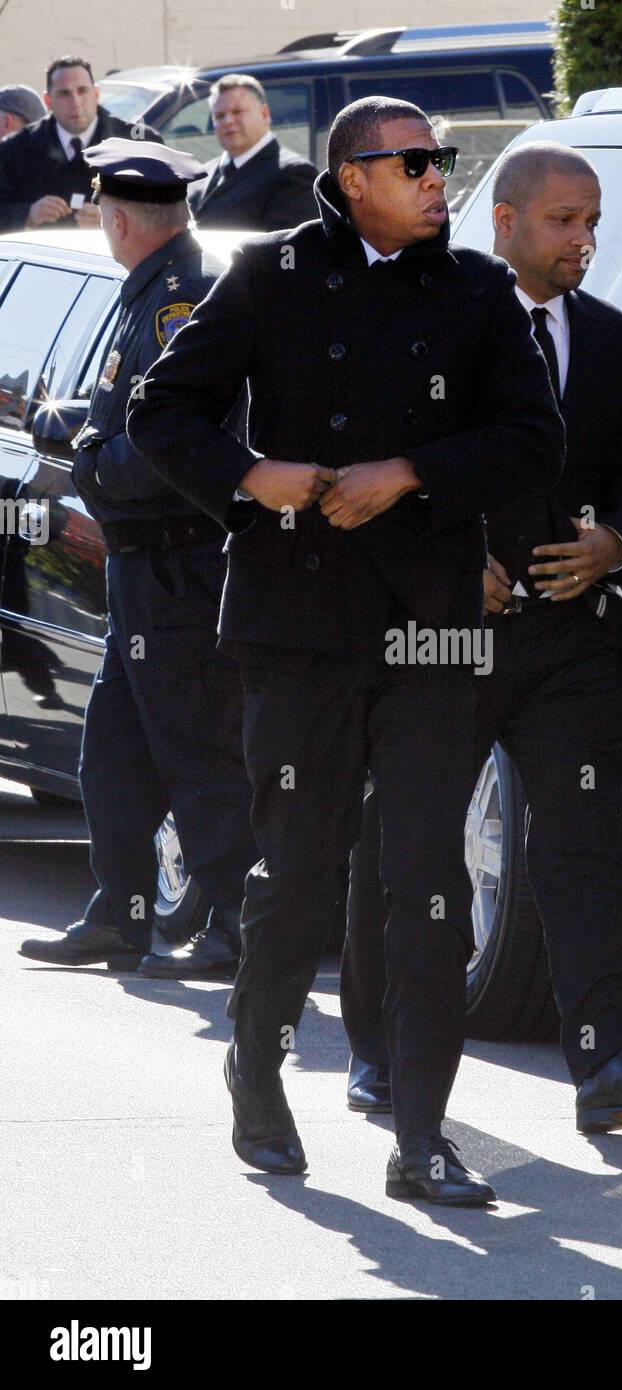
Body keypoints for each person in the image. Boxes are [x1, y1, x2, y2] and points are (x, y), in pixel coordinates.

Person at [128, 97, 565, 1206]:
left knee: (426, 881)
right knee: (300, 876)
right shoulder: (271, 273)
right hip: (297, 624)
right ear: (355, 175)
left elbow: (532, 437)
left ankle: (422, 1132)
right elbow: (161, 408)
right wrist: (250, 478)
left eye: (443, 162)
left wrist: (410, 473)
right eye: (415, 163)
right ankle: (257, 1065)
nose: (437, 180)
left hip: (430, 625)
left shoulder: (474, 289)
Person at [342, 142, 622, 1136]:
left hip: (568, 644)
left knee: (587, 845)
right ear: (503, 221)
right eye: (564, 221)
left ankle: (615, 1065)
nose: (585, 242)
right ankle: (382, 1057)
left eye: (593, 222)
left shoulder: (606, 336)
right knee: (411, 846)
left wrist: (615, 542)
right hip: (441, 639)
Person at [19, 139, 256, 981]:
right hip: (140, 567)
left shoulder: (179, 299)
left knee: (195, 748)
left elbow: (169, 443)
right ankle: (118, 912)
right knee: (113, 750)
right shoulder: (154, 290)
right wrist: (91, 428)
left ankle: (234, 921)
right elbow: (130, 407)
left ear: (119, 220)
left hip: (178, 563)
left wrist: (88, 462)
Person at [0, 56, 161, 233]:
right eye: (64, 94)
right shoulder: (15, 149)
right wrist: (28, 214)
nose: (75, 103)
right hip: (43, 258)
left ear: (96, 94)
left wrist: (115, 219)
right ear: (48, 101)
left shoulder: (139, 145)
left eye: (82, 91)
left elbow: (165, 214)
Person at [188, 74, 317, 232]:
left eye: (237, 111)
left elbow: (289, 252)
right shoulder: (202, 174)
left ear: (264, 114)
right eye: (219, 116)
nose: (228, 121)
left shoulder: (292, 174)